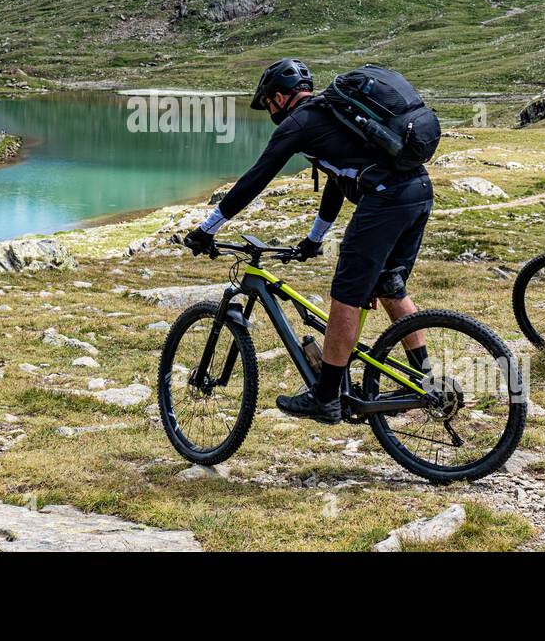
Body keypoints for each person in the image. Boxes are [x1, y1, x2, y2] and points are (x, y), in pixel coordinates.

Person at [182, 58, 434, 425]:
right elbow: (337, 179)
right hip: (418, 191)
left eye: (268, 102)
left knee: (346, 294)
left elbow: (257, 177)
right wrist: (314, 238)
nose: (269, 110)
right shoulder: (333, 117)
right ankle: (427, 380)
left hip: (386, 199)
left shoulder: (299, 122)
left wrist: (208, 228)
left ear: (282, 97)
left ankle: (326, 397)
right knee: (389, 284)